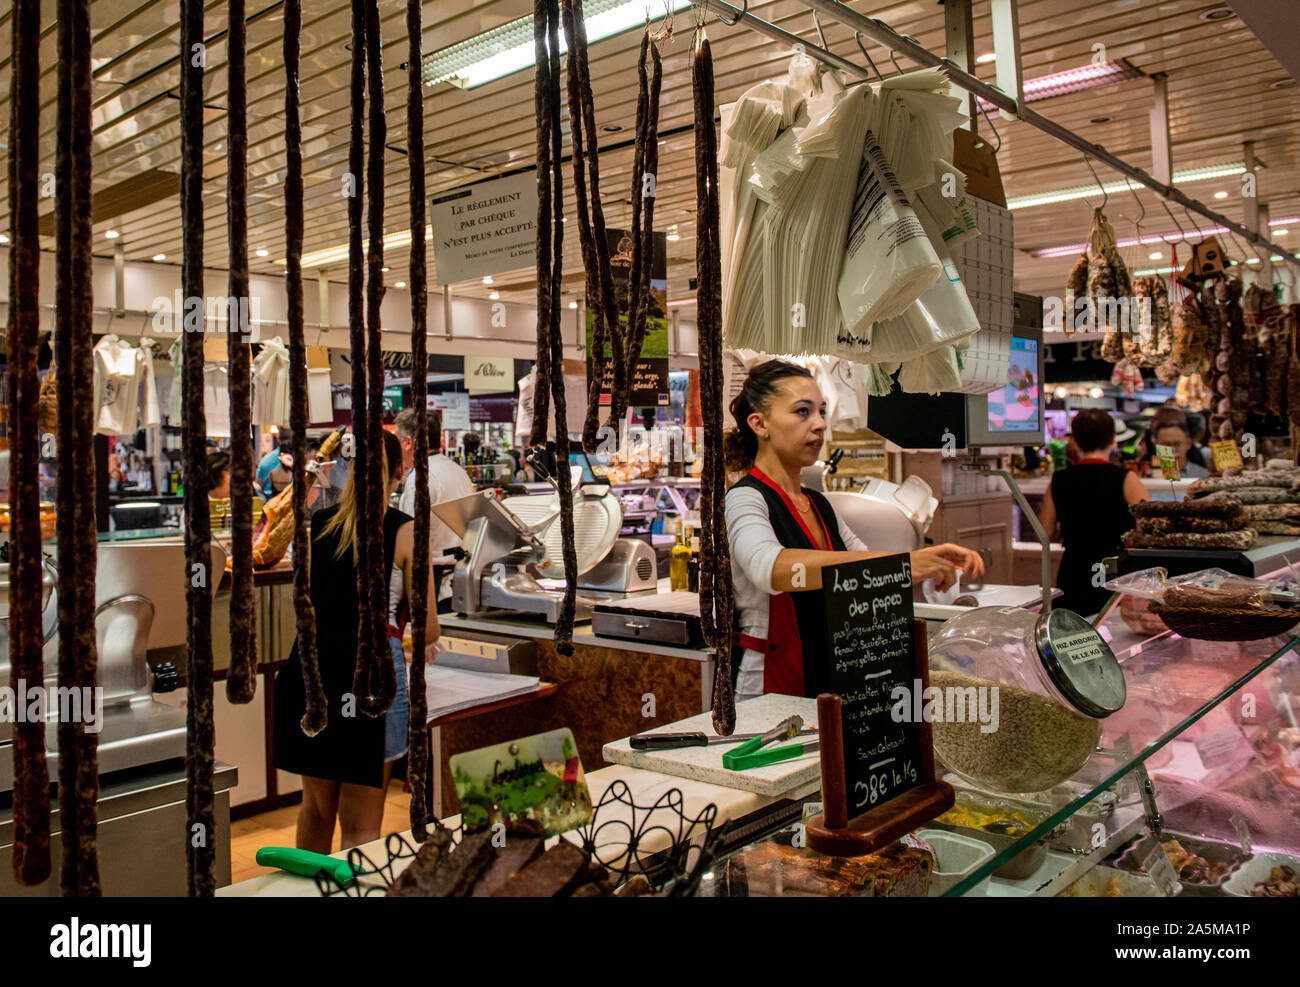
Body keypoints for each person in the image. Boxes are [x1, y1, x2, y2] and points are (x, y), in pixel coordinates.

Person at [725, 359, 984, 702]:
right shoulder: (745, 499)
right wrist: (905, 565)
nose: (819, 425)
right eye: (803, 412)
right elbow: (770, 569)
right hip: (767, 684)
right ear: (759, 424)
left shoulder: (820, 504)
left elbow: (862, 564)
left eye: (822, 411)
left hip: (829, 676)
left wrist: (920, 563)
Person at [273, 429, 438, 853]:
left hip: (314, 677)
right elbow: (430, 629)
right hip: (372, 683)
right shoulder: (405, 531)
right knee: (362, 827)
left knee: (314, 812)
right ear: (399, 473)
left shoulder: (319, 526)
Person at [1038, 408, 1150, 617]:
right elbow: (1151, 525)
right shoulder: (1126, 479)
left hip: (1073, 570)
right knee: (1114, 634)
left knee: (1072, 636)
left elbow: (1044, 532)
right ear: (1113, 438)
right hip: (1115, 570)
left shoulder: (1059, 479)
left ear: (1076, 441)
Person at [394, 408, 474, 614]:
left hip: (432, 587)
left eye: (398, 440)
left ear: (409, 442)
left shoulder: (421, 478)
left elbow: (411, 540)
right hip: (459, 580)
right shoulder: (457, 471)